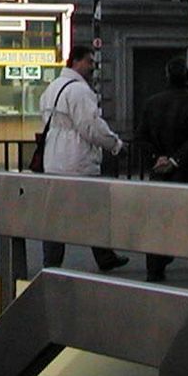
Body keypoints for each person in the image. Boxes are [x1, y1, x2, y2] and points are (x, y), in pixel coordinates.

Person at [39, 45, 129, 274]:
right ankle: (103, 256)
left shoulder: (52, 88)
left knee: (56, 214)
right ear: (76, 61)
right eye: (89, 62)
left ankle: (52, 261)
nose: (93, 67)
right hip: (78, 160)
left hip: (54, 159)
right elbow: (91, 127)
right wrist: (115, 145)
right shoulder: (80, 91)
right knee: (94, 210)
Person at [137, 58, 188, 282]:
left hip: (160, 173)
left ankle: (155, 267)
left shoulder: (151, 103)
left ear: (167, 77)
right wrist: (176, 159)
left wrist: (157, 157)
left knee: (160, 220)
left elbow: (141, 136)